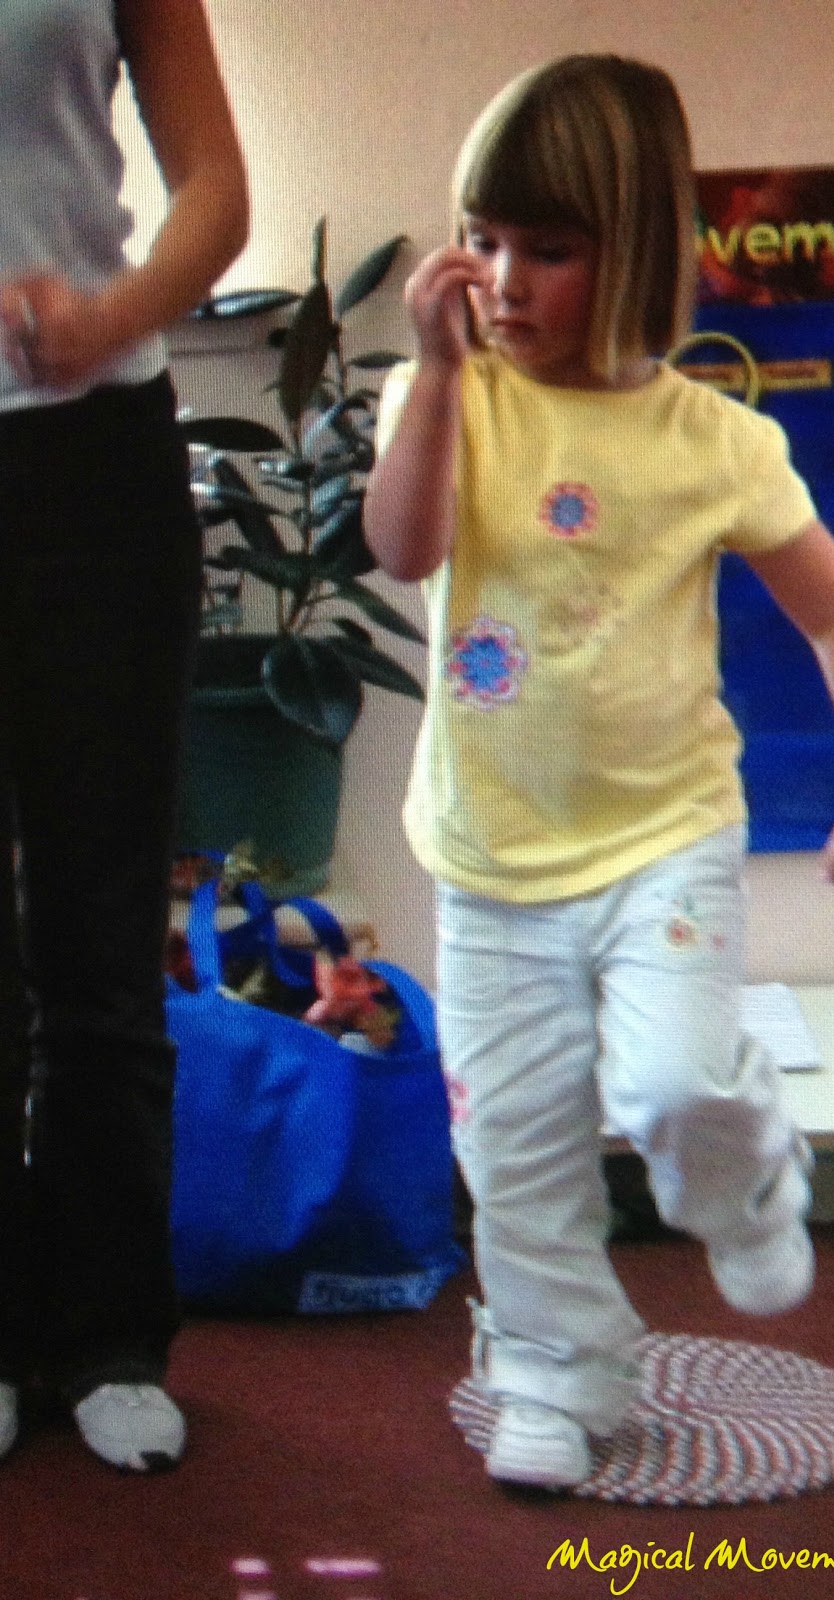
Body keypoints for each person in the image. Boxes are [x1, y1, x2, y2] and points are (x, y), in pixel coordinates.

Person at [364, 54, 834, 1493]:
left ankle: (748, 1173)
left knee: (674, 1087)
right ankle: (558, 1366)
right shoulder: (453, 397)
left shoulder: (715, 442)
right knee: (519, 1149)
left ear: (642, 256)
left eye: (548, 249)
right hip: (489, 862)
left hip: (662, 840)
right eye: (485, 239)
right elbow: (405, 550)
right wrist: (431, 376)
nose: (503, 278)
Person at [0, 0, 248, 1470]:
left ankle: (105, 1337)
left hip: (94, 461)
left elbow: (214, 189)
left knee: (98, 930)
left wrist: (119, 309)